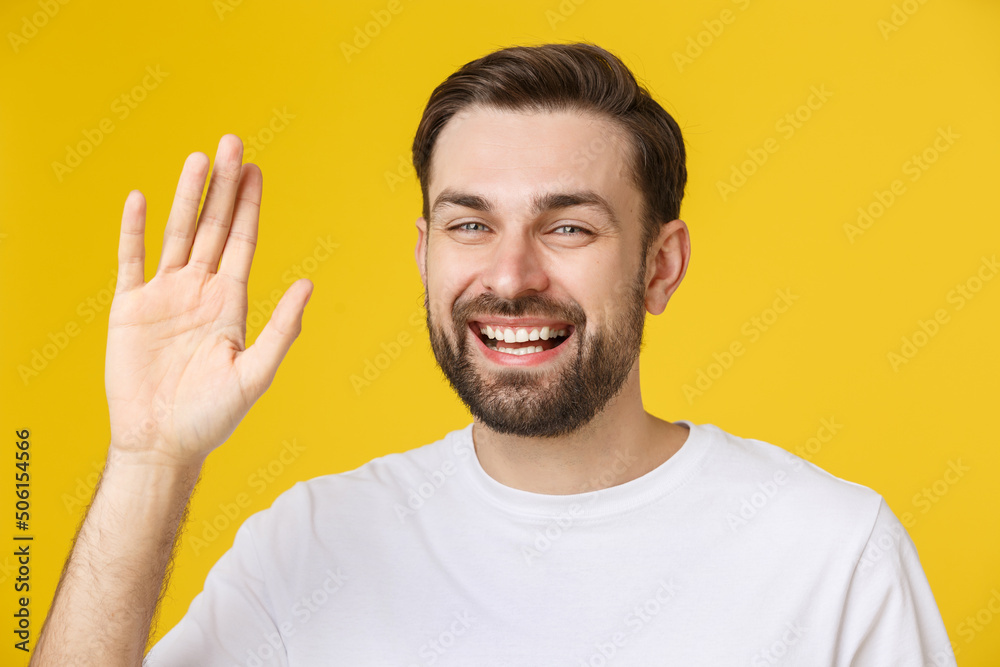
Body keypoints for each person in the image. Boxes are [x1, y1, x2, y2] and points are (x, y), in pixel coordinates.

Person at [33, 43, 956, 666]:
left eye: (568, 225)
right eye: (470, 223)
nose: (510, 275)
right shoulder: (305, 546)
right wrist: (149, 461)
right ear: (426, 254)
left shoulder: (832, 554)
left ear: (660, 266)